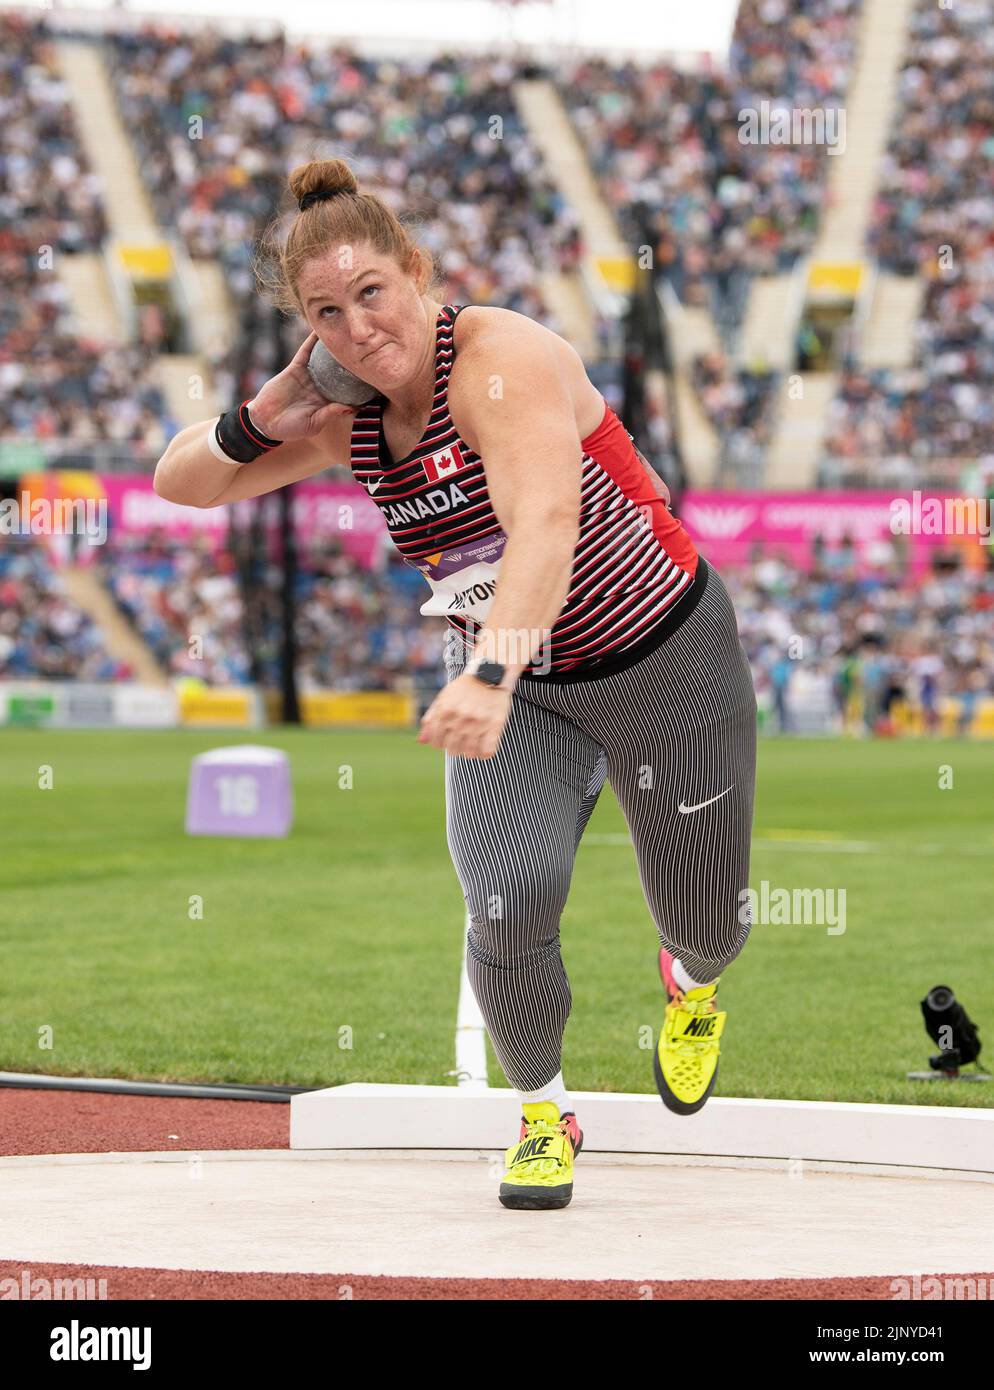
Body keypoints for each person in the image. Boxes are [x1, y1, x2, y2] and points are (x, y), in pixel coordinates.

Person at [153, 158, 758, 1212]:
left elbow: (547, 527)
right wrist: (270, 408)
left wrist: (486, 668)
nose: (356, 326)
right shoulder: (340, 416)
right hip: (518, 689)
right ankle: (542, 1115)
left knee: (707, 916)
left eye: (371, 293)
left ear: (418, 271)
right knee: (505, 899)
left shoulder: (502, 358)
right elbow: (185, 485)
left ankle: (691, 985)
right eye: (324, 312)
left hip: (662, 656)